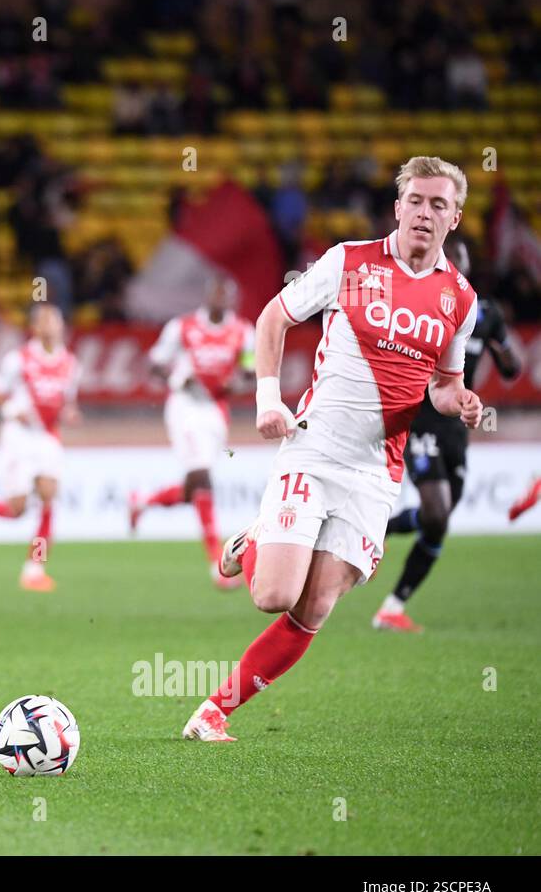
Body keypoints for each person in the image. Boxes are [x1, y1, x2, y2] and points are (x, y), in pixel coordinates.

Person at [182, 156, 484, 743]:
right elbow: (273, 317)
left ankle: (212, 713)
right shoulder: (349, 261)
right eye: (416, 201)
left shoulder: (460, 300)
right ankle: (253, 545)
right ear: (398, 206)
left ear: (455, 217)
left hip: (376, 471)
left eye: (438, 204)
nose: (425, 213)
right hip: (314, 450)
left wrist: (462, 400)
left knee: (315, 606)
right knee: (274, 595)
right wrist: (268, 399)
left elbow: (443, 386)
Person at [374, 238, 520, 631]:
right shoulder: (417, 307)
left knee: (438, 519)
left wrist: (504, 351)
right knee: (436, 512)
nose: (455, 268)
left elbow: (511, 369)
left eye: (462, 263)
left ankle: (392, 605)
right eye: (449, 261)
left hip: (457, 425)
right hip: (421, 418)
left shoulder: (483, 314)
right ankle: (379, 544)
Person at [129, 276, 254, 587]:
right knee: (202, 475)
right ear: (206, 294)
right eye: (216, 291)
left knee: (194, 487)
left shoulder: (243, 331)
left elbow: (250, 371)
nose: (221, 297)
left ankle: (144, 501)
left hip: (216, 410)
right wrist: (175, 377)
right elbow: (155, 362)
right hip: (184, 407)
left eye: (226, 293)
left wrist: (235, 383)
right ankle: (216, 562)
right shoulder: (181, 327)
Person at [0, 302, 80, 591]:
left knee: (48, 496)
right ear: (35, 327)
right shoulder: (19, 359)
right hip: (18, 436)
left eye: (54, 319)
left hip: (47, 437)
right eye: (44, 320)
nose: (51, 324)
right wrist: (9, 410)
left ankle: (34, 569)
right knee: (17, 509)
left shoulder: (70, 363)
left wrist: (70, 412)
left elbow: (67, 401)